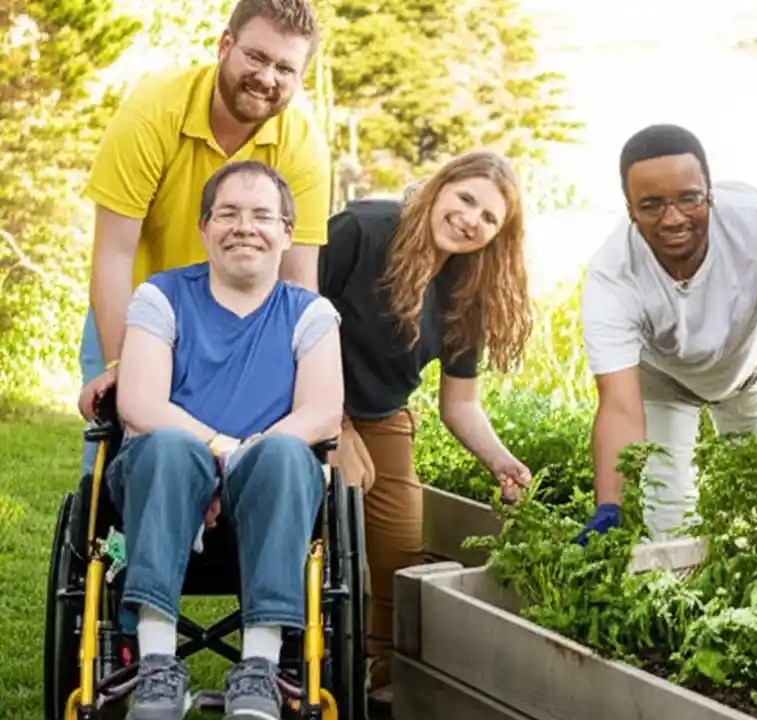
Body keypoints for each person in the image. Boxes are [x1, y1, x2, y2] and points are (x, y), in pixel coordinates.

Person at [110, 161, 342, 719]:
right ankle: (157, 666)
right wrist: (218, 450)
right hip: (163, 477)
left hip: (265, 489)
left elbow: (322, 412)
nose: (245, 227)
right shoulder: (160, 297)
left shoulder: (309, 313)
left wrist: (243, 458)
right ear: (204, 227)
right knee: (169, 445)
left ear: (287, 233)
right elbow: (139, 403)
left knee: (287, 451)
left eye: (263, 215)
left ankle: (260, 667)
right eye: (229, 213)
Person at [78, 0, 331, 474]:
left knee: (255, 464)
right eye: (255, 57)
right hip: (140, 312)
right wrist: (119, 366)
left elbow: (299, 281)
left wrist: (309, 393)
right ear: (225, 46)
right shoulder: (153, 111)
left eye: (284, 67)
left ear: (300, 77)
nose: (267, 77)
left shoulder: (302, 145)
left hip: (243, 326)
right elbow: (113, 255)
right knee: (119, 460)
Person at [318, 150, 534, 704]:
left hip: (382, 415)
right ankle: (302, 656)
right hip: (302, 398)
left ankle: (385, 678)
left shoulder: (469, 290)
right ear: (441, 187)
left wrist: (503, 463)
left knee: (402, 544)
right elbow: (285, 319)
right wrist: (332, 424)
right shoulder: (363, 231)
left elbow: (460, 404)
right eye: (466, 199)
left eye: (489, 219)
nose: (471, 220)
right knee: (335, 503)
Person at [574, 124, 757, 555]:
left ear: (710, 192)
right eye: (651, 205)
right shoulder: (613, 276)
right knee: (668, 511)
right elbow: (620, 405)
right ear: (629, 209)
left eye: (689, 198)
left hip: (752, 373)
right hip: (664, 383)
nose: (673, 218)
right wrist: (608, 507)